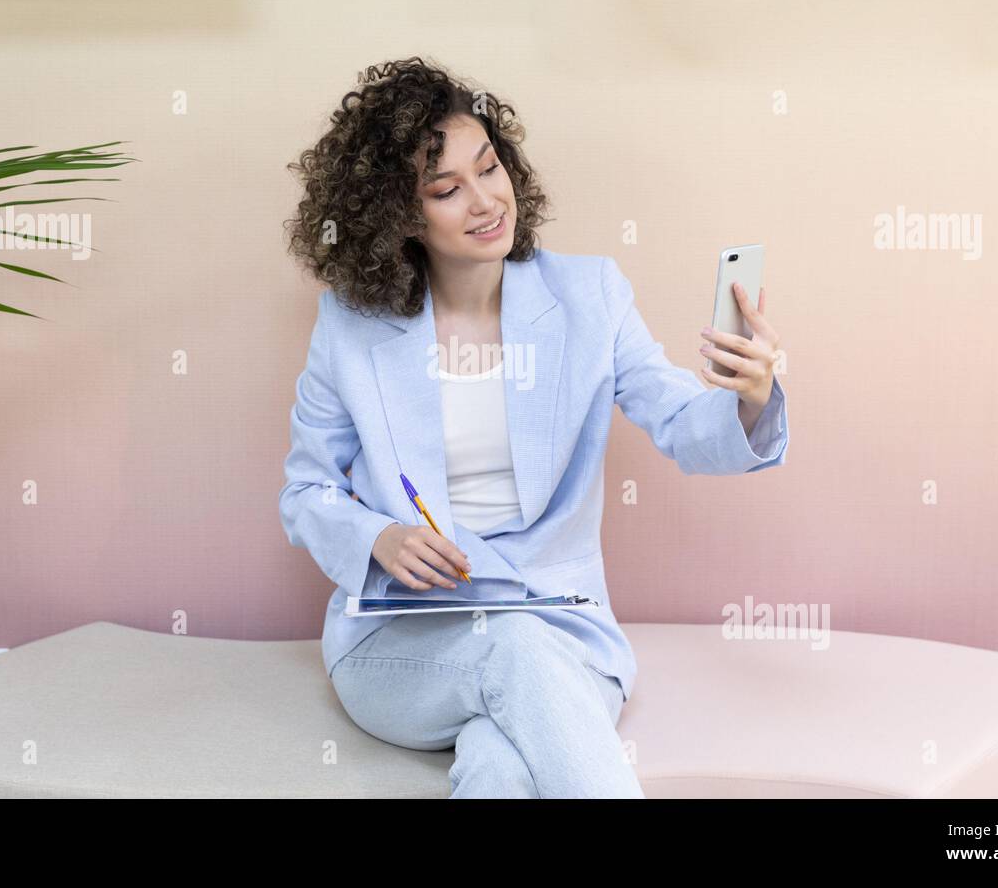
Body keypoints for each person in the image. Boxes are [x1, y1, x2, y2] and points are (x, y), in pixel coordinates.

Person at [279, 56, 789, 798]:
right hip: (402, 642)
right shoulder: (350, 328)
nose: (486, 201)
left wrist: (752, 395)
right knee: (508, 647)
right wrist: (378, 540)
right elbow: (307, 490)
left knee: (498, 762)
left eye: (490, 168)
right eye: (447, 189)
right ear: (399, 216)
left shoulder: (591, 296)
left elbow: (680, 418)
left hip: (562, 630)